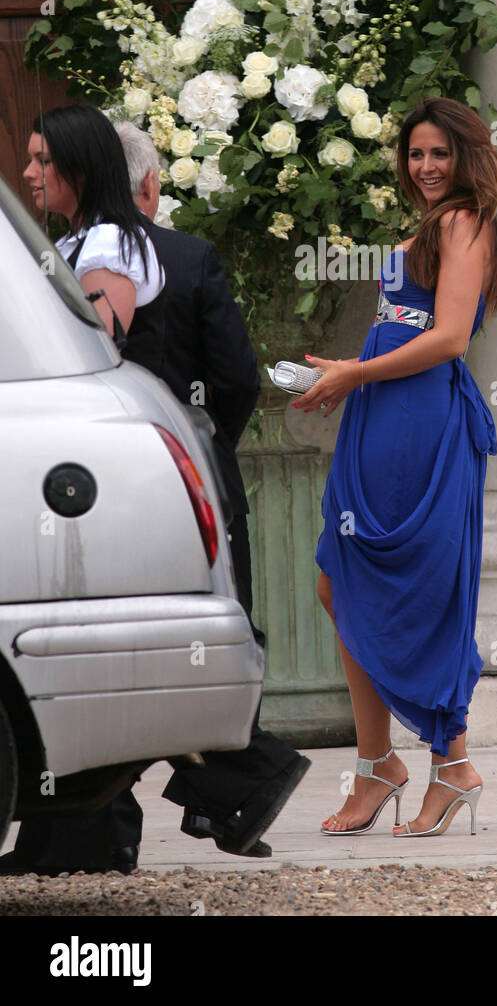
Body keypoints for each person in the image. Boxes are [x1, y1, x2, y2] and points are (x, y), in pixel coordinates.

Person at [294, 97, 497, 838]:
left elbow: (449, 337)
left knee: (403, 583)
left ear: (467, 156)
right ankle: (388, 763)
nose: (424, 167)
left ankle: (444, 763)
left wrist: (354, 372)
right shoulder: (430, 226)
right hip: (382, 415)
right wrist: (343, 374)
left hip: (415, 420)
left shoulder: (462, 220)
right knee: (338, 577)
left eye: (438, 154)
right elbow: (406, 325)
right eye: (414, 155)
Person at [113, 121, 310, 858]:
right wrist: (207, 446)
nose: (33, 178)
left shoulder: (64, 265)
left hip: (111, 490)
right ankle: (223, 789)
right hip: (194, 479)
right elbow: (235, 379)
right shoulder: (189, 256)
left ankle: (239, 778)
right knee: (210, 632)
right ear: (151, 186)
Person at [2, 103, 166, 875]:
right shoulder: (74, 238)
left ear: (77, 166)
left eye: (42, 160)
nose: (30, 173)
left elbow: (101, 336)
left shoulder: (106, 243)